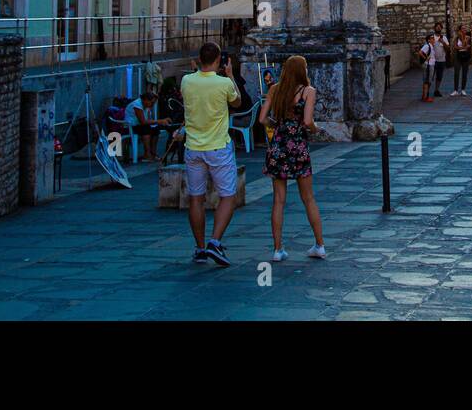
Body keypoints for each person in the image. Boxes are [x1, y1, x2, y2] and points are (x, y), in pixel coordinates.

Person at [177, 41, 242, 267]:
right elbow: (238, 102)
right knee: (227, 196)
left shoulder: (187, 81)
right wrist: (231, 75)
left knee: (196, 198)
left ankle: (200, 247)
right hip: (218, 147)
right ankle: (215, 241)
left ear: (198, 59)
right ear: (218, 61)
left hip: (193, 147)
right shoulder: (224, 83)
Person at [258, 55, 326, 262]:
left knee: (278, 200)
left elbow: (262, 119)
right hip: (298, 147)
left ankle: (278, 249)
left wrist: (277, 126)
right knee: (308, 198)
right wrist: (317, 128)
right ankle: (319, 245)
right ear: (302, 71)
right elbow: (307, 121)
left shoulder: (275, 90)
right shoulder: (308, 91)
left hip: (278, 146)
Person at [124, 87, 170, 161]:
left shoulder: (147, 106)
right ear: (145, 100)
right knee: (145, 128)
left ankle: (153, 153)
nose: (152, 105)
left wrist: (158, 123)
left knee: (156, 129)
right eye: (152, 102)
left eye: (154, 103)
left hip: (139, 125)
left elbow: (149, 120)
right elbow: (143, 121)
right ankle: (147, 154)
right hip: (131, 126)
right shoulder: (137, 105)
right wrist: (159, 121)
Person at [429, 23, 450, 98]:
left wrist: (443, 42)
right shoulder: (431, 38)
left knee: (439, 76)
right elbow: (427, 48)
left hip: (441, 60)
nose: (438, 28)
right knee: (430, 76)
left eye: (439, 27)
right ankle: (427, 90)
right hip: (432, 61)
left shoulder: (444, 38)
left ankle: (436, 90)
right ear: (434, 28)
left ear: (441, 29)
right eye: (437, 27)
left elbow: (448, 49)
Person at [417, 33, 439, 103]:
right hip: (428, 65)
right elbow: (420, 52)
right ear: (429, 40)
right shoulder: (427, 46)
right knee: (427, 81)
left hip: (430, 65)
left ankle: (424, 96)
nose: (433, 39)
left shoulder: (431, 46)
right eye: (432, 38)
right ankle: (425, 97)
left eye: (433, 38)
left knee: (427, 81)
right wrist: (426, 58)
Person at [451, 26, 472, 96]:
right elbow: (455, 47)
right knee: (456, 73)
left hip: (465, 56)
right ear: (460, 30)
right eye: (463, 29)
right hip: (458, 56)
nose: (465, 30)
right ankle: (455, 90)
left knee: (464, 73)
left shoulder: (468, 38)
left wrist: (463, 40)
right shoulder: (456, 38)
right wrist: (463, 47)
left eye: (465, 29)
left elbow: (467, 46)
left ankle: (463, 89)